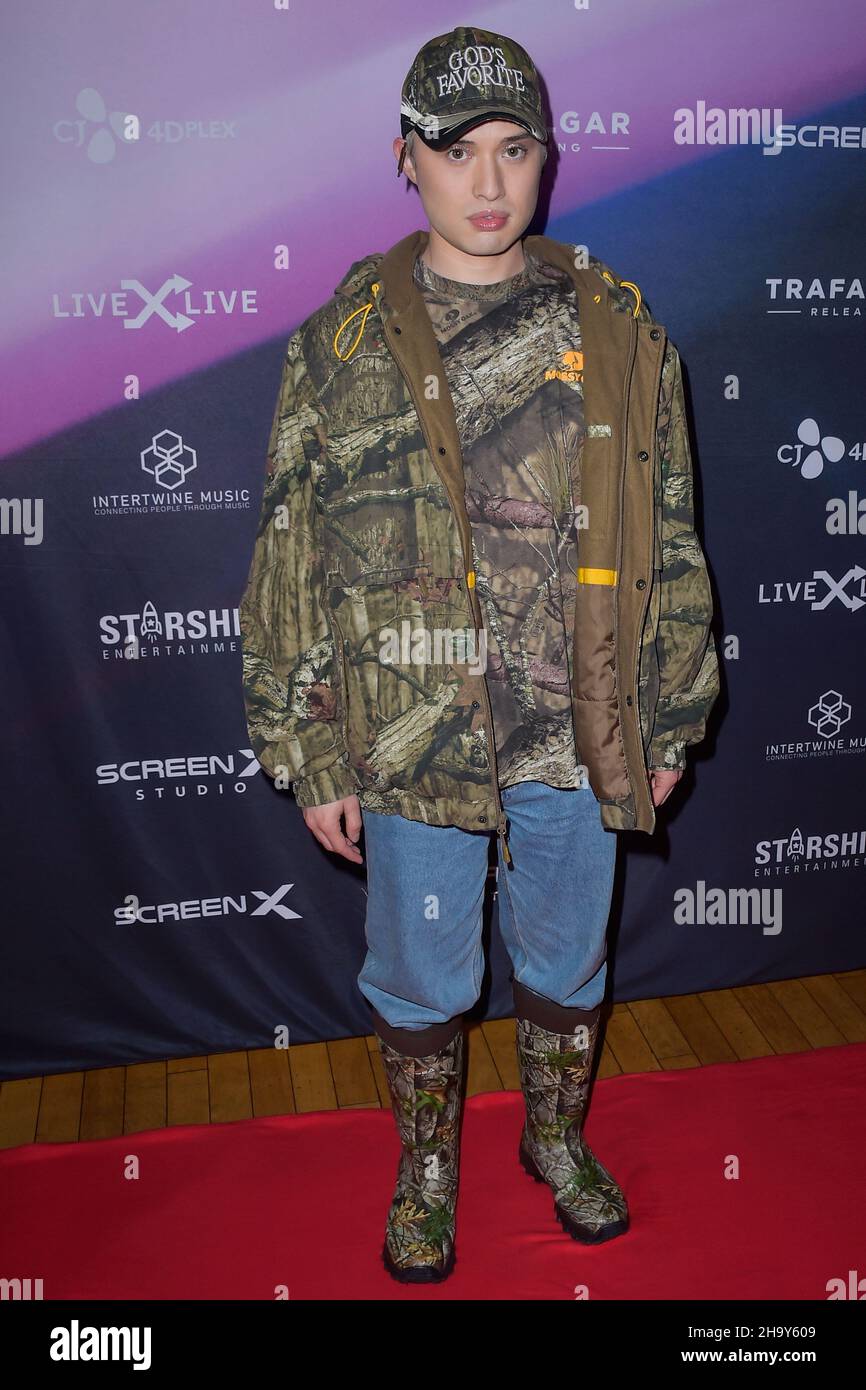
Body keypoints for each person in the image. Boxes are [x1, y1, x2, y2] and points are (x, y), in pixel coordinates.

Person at [239, 25, 719, 1284]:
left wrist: (666, 716)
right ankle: (427, 1165)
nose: (489, 182)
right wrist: (305, 739)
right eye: (457, 154)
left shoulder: (615, 323)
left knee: (566, 957)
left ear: (545, 157)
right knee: (420, 972)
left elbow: (667, 524)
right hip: (413, 725)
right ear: (406, 159)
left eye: (515, 150)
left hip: (574, 720)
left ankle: (553, 1142)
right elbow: (293, 543)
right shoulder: (345, 338)